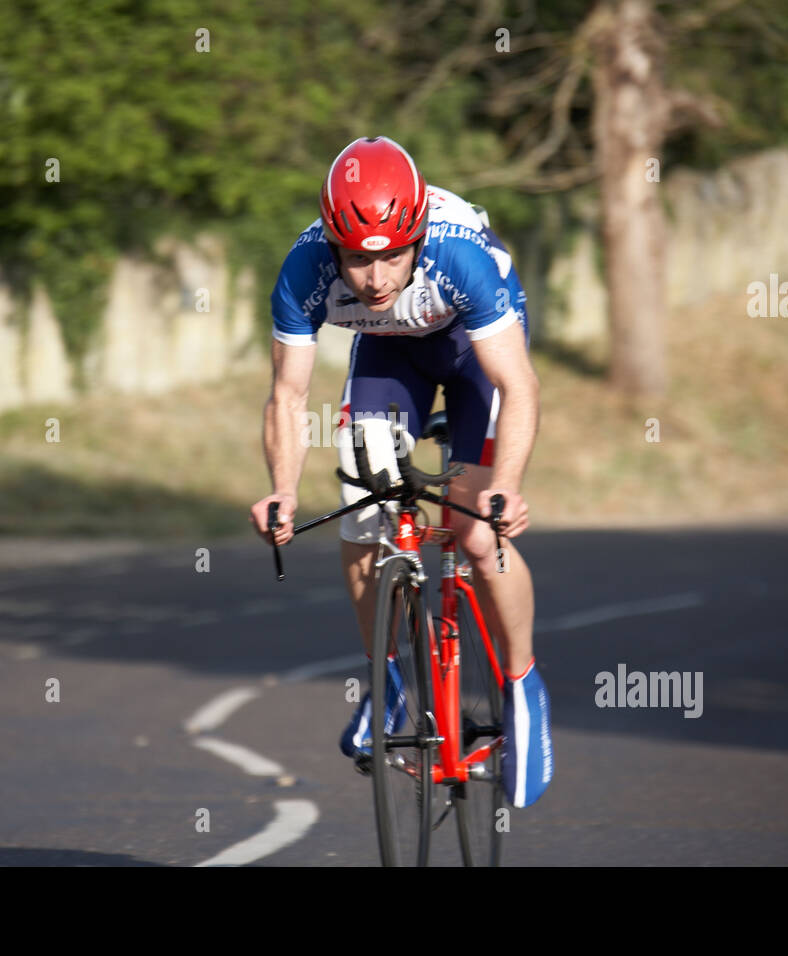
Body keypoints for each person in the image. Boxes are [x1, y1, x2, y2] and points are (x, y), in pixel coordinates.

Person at [249, 136, 552, 808]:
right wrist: (283, 491)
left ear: (416, 235)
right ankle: (385, 688)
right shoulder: (303, 272)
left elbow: (518, 382)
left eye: (392, 255)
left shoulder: (460, 259)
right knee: (361, 505)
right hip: (391, 358)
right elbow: (289, 396)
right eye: (358, 258)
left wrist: (507, 483)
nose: (377, 277)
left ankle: (524, 683)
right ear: (333, 244)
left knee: (476, 535)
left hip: (474, 356)